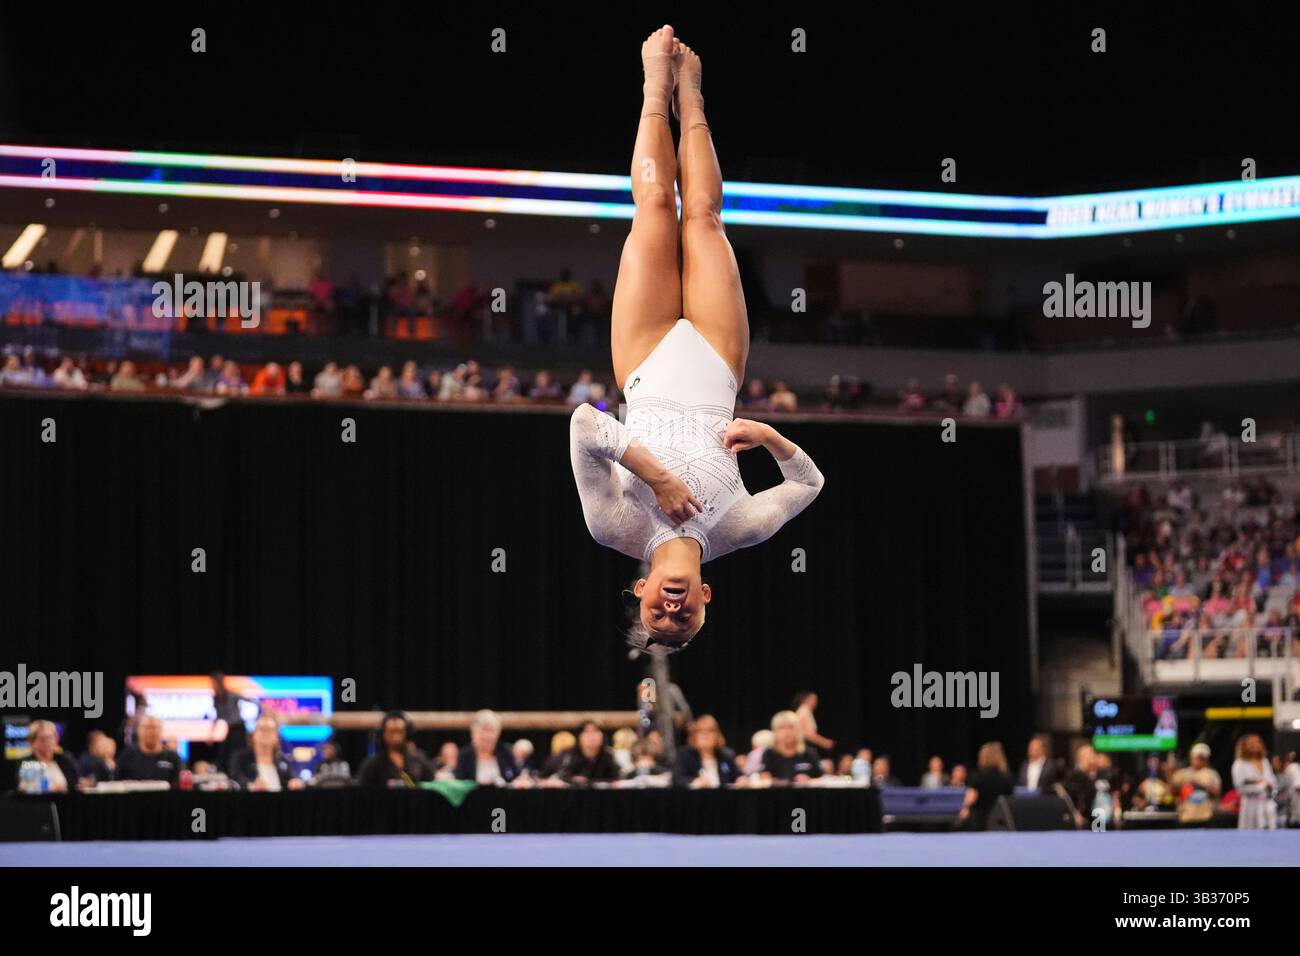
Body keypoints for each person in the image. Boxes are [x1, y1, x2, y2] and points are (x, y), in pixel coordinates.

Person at [568, 28, 824, 652]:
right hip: (715, 361)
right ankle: (694, 98)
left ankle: (656, 89)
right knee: (704, 217)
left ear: (641, 590)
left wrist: (657, 481)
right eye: (683, 621)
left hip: (646, 360)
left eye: (657, 617)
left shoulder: (615, 529)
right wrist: (768, 437)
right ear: (707, 597)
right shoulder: (739, 528)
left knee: (655, 206)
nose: (671, 612)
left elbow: (583, 424)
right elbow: (807, 485)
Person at [356, 711, 434, 788]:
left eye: (399, 731)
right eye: (391, 731)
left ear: (407, 733)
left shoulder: (419, 760)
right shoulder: (372, 764)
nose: (395, 736)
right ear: (383, 734)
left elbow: (432, 785)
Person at [230, 713, 304, 791]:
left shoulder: (284, 762)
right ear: (253, 735)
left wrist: (295, 783)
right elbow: (235, 780)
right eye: (261, 729)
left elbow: (291, 781)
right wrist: (251, 786)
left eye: (270, 730)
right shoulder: (240, 759)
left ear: (276, 737)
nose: (265, 733)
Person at [957, 741, 1014, 830]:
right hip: (1000, 820)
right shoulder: (1007, 776)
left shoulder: (978, 776)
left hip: (980, 820)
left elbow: (971, 797)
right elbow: (1010, 798)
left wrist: (965, 808)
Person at [454, 710, 520, 786]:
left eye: (491, 730)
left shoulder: (506, 752)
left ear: (498, 733)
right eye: (484, 730)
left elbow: (516, 778)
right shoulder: (464, 755)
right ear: (473, 732)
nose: (487, 736)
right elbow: (459, 784)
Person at [672, 714, 738, 788]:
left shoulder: (726, 756)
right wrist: (694, 782)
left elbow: (737, 777)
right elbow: (677, 779)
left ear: (717, 735)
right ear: (694, 735)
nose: (705, 735)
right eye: (701, 731)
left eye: (710, 731)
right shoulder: (684, 755)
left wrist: (742, 780)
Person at [757, 710, 822, 783]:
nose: (787, 732)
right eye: (782, 728)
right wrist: (787, 783)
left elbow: (822, 778)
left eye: (791, 727)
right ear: (775, 731)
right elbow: (765, 779)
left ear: (798, 729)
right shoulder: (769, 753)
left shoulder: (809, 752)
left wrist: (809, 780)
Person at [117, 714, 183, 787]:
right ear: (138, 730)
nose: (150, 731)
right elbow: (116, 784)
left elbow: (179, 786)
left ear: (161, 730)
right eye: (146, 728)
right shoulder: (126, 757)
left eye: (154, 728)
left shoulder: (173, 758)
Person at [1232, 734, 1277, 829]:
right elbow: (1240, 788)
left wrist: (1260, 783)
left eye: (1258, 742)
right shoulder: (1239, 764)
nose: (1255, 745)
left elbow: (1272, 782)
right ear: (1244, 746)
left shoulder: (1265, 761)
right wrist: (1262, 785)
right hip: (1250, 805)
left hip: (1267, 804)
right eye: (1251, 743)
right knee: (1250, 834)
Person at [554, 721, 620, 785]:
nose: (592, 736)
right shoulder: (571, 755)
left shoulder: (608, 755)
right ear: (579, 737)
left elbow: (617, 777)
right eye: (587, 732)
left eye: (596, 731)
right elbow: (562, 776)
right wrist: (573, 779)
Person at [1171, 742, 1221, 825]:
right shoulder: (1182, 773)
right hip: (1186, 816)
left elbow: (1217, 792)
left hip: (1206, 817)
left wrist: (1200, 784)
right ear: (1191, 757)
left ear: (1207, 759)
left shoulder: (1212, 773)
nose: (1199, 761)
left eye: (1202, 758)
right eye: (1197, 757)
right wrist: (1170, 775)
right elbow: (1172, 792)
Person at [23, 721, 80, 792]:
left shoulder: (65, 760)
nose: (47, 742)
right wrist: (50, 790)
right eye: (42, 739)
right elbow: (25, 790)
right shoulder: (27, 763)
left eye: (50, 737)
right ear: (32, 742)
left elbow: (74, 785)